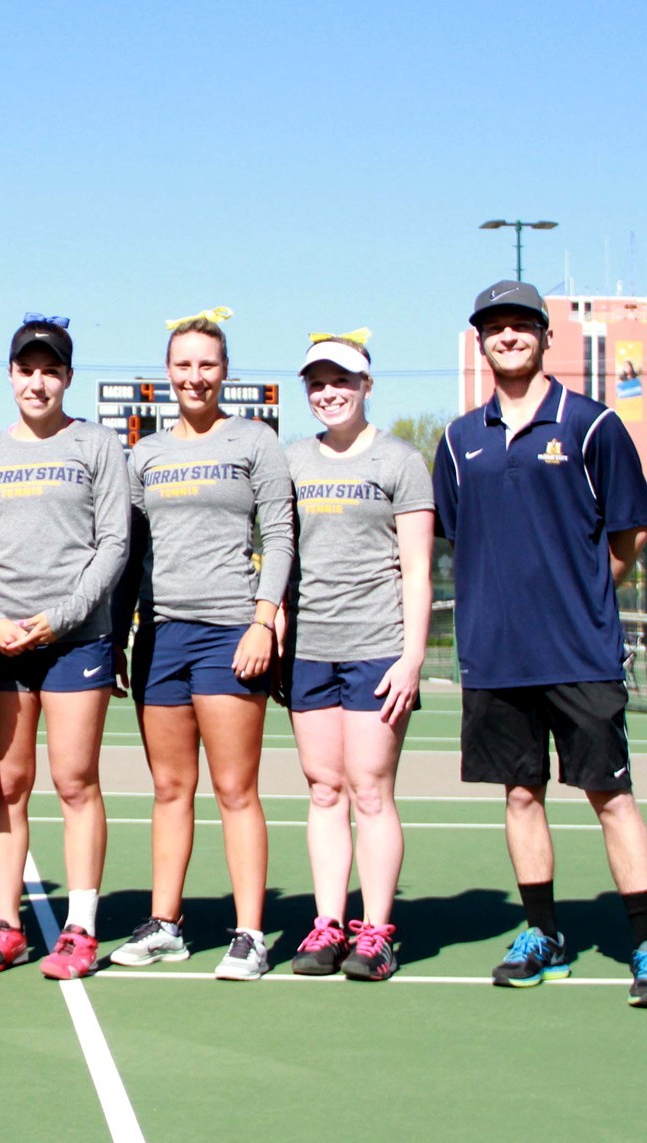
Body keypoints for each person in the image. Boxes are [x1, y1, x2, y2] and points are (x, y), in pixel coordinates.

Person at [435, 280, 647, 1004]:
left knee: (611, 797)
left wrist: (582, 593)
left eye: (520, 324)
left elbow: (628, 534)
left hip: (579, 653)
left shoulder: (592, 426)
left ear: (543, 334)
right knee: (521, 795)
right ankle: (544, 934)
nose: (508, 336)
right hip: (495, 656)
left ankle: (645, 941)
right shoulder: (460, 440)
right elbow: (462, 537)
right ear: (482, 341)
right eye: (494, 327)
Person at [110, 307, 293, 981]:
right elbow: (130, 555)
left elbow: (280, 535)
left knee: (235, 787)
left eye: (207, 364)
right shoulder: (146, 454)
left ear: (225, 371)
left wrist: (262, 619)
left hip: (229, 633)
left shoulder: (255, 443)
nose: (196, 376)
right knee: (169, 787)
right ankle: (166, 924)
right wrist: (120, 636)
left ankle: (250, 933)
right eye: (183, 364)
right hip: (159, 636)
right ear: (166, 374)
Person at [0, 316, 130, 979]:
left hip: (74, 642)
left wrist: (57, 618)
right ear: (10, 375)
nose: (38, 382)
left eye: (51, 370)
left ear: (67, 377)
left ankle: (80, 927)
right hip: (5, 643)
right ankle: (6, 924)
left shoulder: (96, 446)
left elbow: (114, 545)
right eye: (26, 370)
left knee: (73, 781)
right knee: (7, 784)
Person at [283, 331, 434, 981]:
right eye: (318, 382)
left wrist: (412, 657)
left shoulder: (401, 461)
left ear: (366, 386)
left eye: (342, 381)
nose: (329, 392)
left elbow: (418, 569)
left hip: (377, 650)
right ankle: (327, 924)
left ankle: (376, 931)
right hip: (309, 652)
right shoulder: (290, 461)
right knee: (324, 789)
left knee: (371, 790)